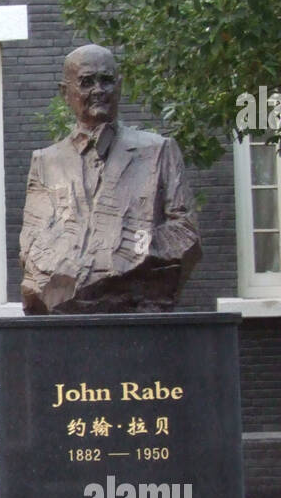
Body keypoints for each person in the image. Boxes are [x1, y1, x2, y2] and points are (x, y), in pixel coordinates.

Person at [20, 44, 202, 314]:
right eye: (86, 82)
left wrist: (127, 250)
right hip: (63, 297)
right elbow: (33, 241)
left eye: (106, 81)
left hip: (140, 304)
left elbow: (185, 233)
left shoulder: (158, 151)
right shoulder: (45, 162)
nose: (98, 91)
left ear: (119, 86)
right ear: (65, 92)